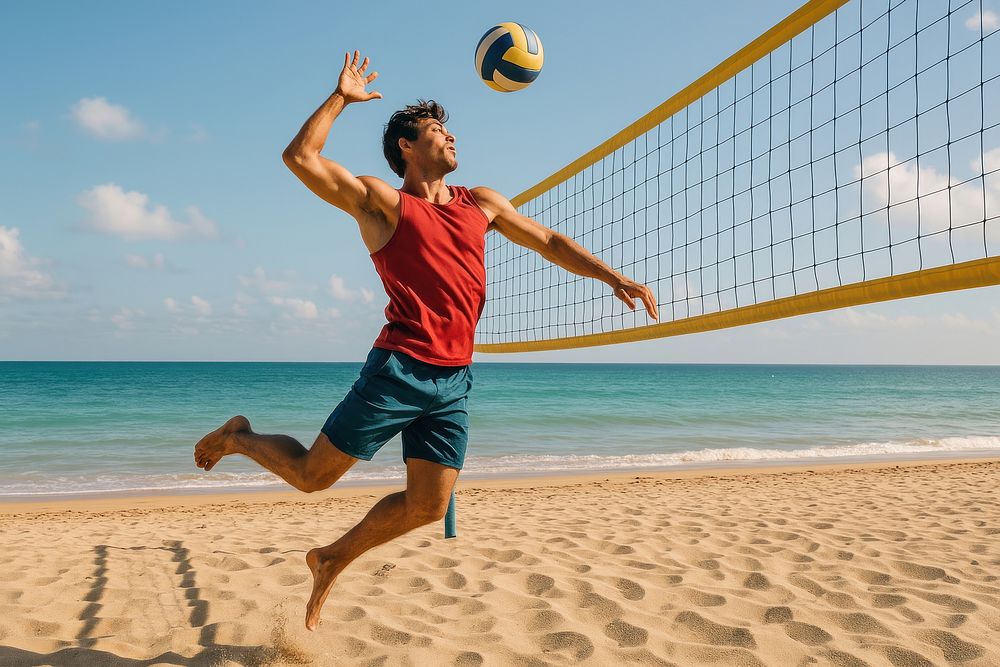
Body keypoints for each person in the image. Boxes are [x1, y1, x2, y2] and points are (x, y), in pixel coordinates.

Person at [193, 50, 659, 631]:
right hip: (400, 367)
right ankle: (240, 437)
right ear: (407, 149)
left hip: (454, 377)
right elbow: (300, 157)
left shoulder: (481, 203)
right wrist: (342, 96)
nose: (451, 136)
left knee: (427, 506)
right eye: (437, 130)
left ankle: (332, 557)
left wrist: (612, 276)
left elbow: (548, 239)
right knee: (313, 477)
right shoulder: (383, 205)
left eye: (449, 128)